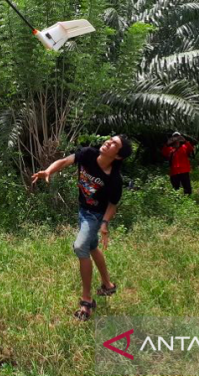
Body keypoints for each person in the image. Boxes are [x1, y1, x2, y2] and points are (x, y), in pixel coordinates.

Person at [31, 135, 133, 321]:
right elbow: (63, 161)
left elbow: (112, 204)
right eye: (110, 139)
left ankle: (87, 300)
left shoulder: (114, 179)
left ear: (118, 156)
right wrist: (48, 171)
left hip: (95, 216)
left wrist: (104, 224)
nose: (108, 142)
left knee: (80, 247)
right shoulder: (87, 154)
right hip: (83, 209)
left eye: (114, 144)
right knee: (92, 246)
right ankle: (108, 285)